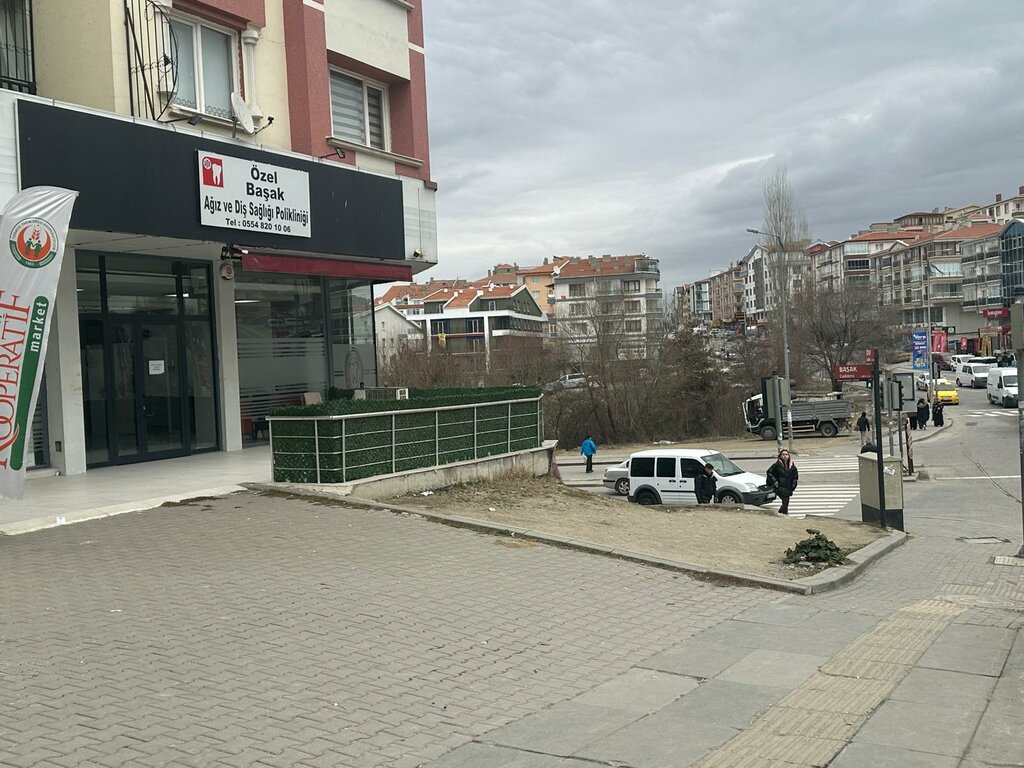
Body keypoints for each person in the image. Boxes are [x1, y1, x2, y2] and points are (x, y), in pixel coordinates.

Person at [767, 449, 799, 515]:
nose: (785, 456)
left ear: (789, 456)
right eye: (783, 454)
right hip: (779, 486)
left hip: (788, 487)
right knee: (785, 501)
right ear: (780, 456)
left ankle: (783, 514)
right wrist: (775, 481)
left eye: (786, 454)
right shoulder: (776, 465)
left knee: (786, 502)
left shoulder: (792, 466)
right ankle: (781, 514)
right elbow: (769, 472)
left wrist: (794, 485)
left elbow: (795, 476)